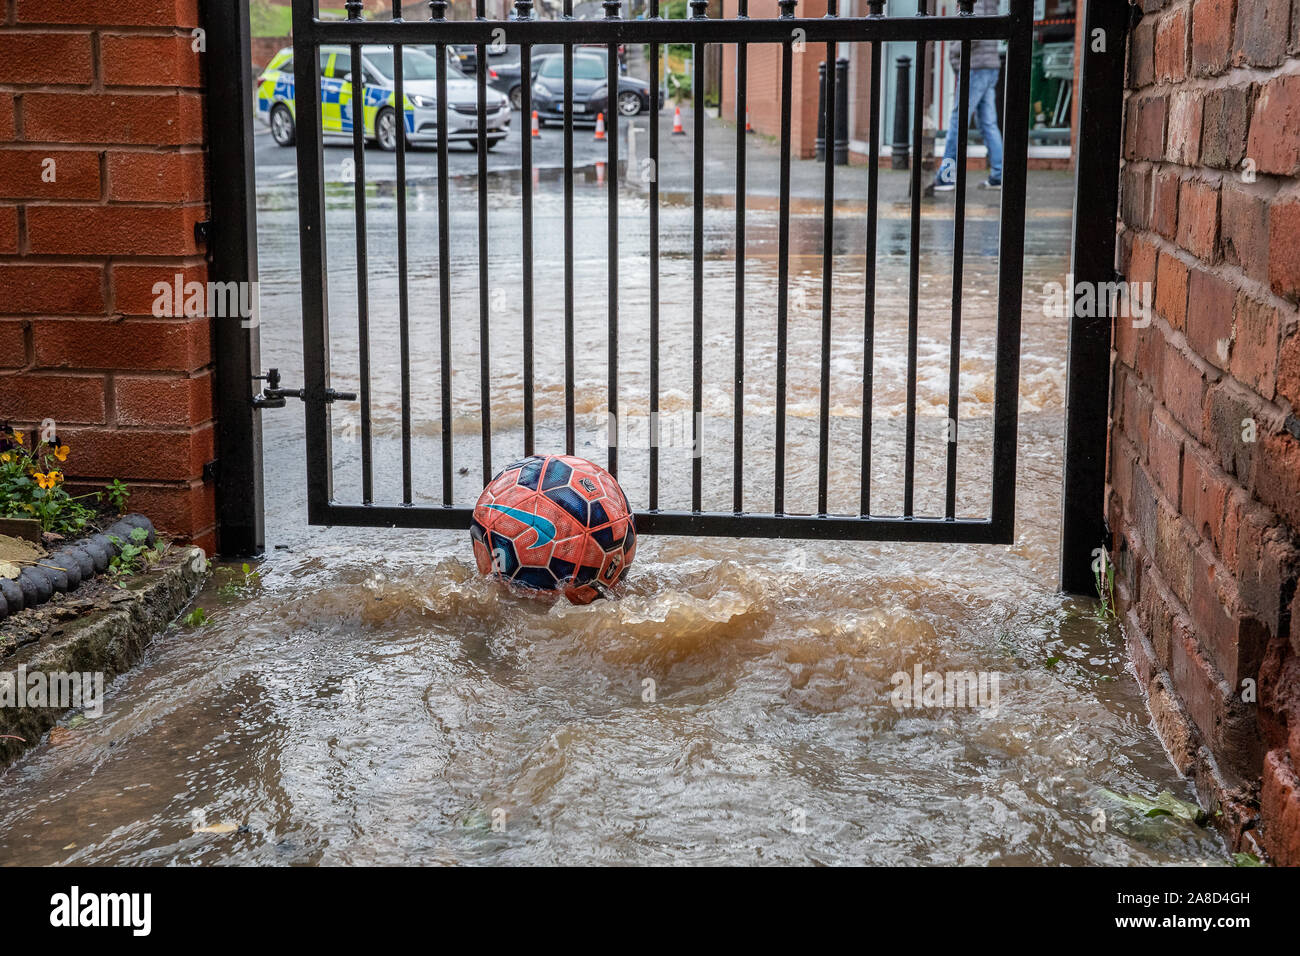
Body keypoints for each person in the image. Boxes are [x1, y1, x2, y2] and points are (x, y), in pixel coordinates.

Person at [933, 0, 1003, 192]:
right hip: (988, 66)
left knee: (958, 121)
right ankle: (998, 175)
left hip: (975, 67)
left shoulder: (978, 1)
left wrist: (953, 48)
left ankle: (947, 177)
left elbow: (974, 31)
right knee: (988, 123)